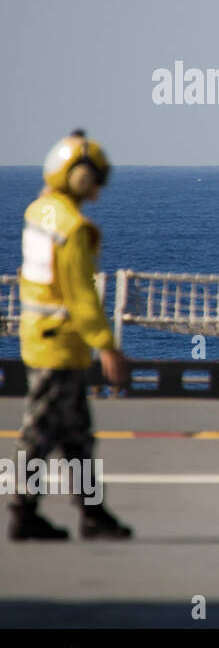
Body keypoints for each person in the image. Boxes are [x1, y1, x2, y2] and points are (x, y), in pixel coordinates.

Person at [8, 130, 131, 541]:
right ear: (79, 177)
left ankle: (93, 513)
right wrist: (106, 344)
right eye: (93, 177)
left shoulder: (39, 212)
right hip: (61, 346)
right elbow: (81, 295)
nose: (97, 187)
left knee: (77, 437)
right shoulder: (73, 227)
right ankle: (22, 513)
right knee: (38, 434)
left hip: (43, 339)